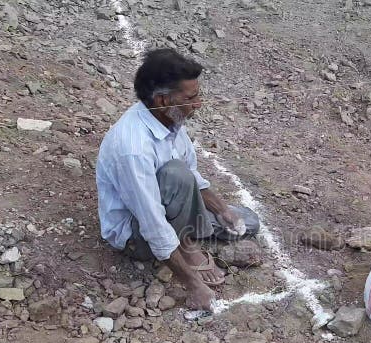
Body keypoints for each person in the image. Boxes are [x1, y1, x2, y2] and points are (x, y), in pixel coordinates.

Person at [96, 49, 260, 312]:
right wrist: (192, 284)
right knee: (175, 173)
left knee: (247, 221)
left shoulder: (169, 119)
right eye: (191, 97)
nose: (198, 104)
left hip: (166, 203)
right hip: (135, 233)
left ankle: (190, 234)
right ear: (162, 100)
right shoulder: (133, 149)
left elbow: (192, 174)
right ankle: (187, 246)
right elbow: (152, 224)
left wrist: (222, 210)